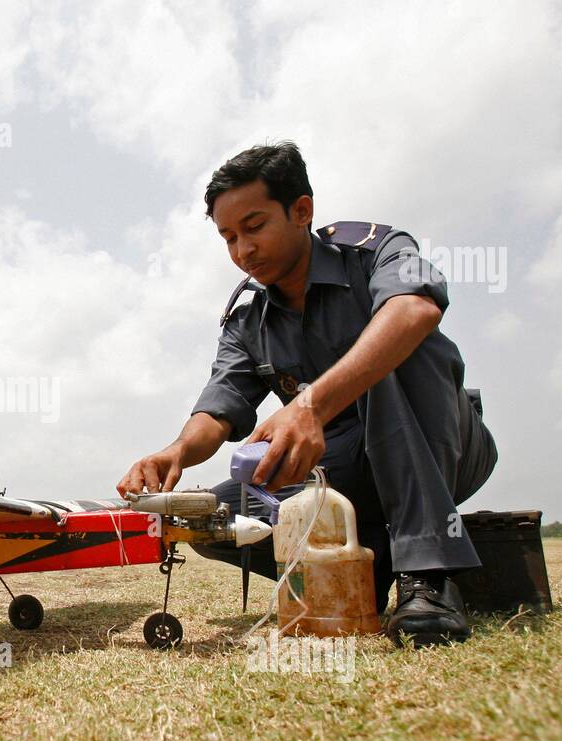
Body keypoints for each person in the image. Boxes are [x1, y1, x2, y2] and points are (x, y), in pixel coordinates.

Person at [116, 142, 498, 647]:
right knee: (215, 514)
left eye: (254, 227)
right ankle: (369, 568)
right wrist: (175, 452)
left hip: (444, 446)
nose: (242, 251)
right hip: (344, 468)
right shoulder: (248, 320)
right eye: (228, 238)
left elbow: (416, 310)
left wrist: (311, 404)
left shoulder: (376, 251)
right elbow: (219, 405)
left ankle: (427, 575)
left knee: (395, 351)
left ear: (302, 211)